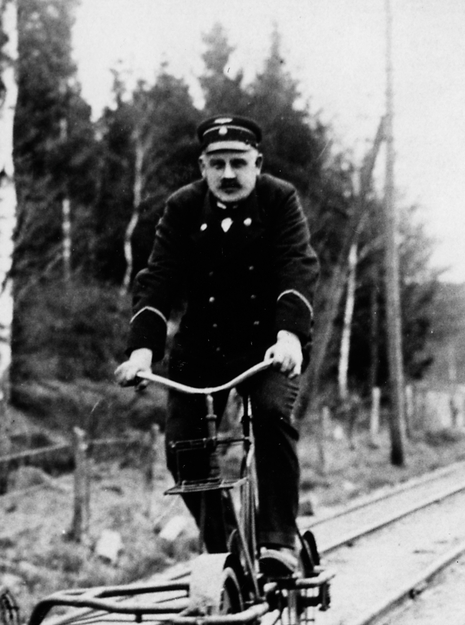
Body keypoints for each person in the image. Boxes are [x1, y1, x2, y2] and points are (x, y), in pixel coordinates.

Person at [115, 114, 320, 577]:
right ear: (203, 167)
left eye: (238, 163)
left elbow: (297, 267)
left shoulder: (279, 199)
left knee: (271, 415)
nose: (228, 174)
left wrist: (289, 336)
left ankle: (277, 542)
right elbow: (158, 279)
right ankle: (226, 551)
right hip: (201, 346)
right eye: (217, 164)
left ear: (257, 164)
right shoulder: (183, 207)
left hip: (267, 346)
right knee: (182, 447)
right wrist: (142, 351)